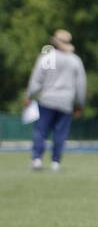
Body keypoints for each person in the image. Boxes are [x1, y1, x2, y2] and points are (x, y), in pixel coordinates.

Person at [25, 29, 86, 172]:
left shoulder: (46, 57)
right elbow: (81, 85)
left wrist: (29, 95)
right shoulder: (75, 61)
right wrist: (80, 104)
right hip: (66, 102)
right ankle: (55, 162)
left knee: (41, 130)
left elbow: (36, 80)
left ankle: (37, 159)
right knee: (60, 133)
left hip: (47, 100)